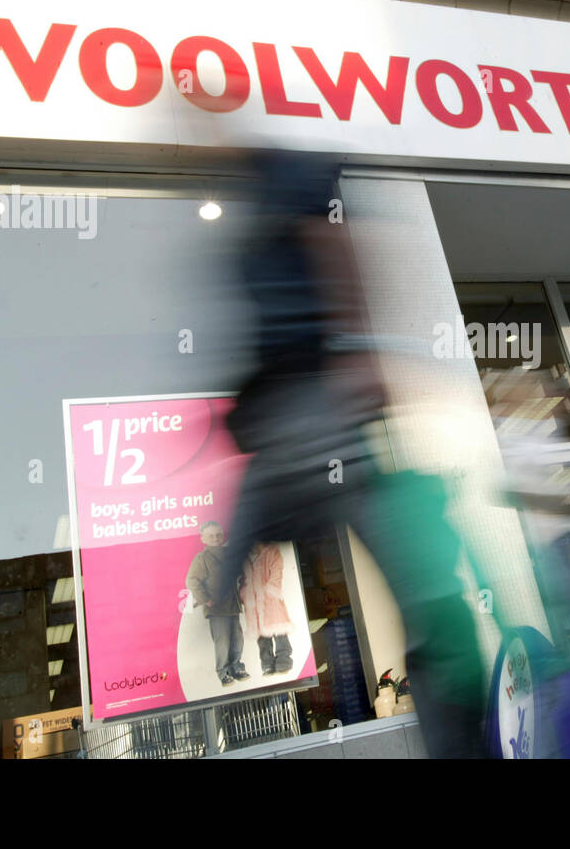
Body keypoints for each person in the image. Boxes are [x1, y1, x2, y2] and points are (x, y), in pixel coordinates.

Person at [213, 150, 486, 758]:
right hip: (309, 406)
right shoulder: (293, 474)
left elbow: (327, 246)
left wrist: (360, 351)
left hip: (310, 407)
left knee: (431, 604)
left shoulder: (291, 468)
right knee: (430, 604)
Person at [185, 521, 249, 686]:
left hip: (233, 604)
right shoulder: (202, 558)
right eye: (211, 535)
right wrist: (205, 599)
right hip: (217, 608)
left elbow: (242, 573)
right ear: (203, 539)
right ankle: (223, 673)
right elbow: (192, 580)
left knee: (237, 639)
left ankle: (237, 667)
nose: (215, 538)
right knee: (222, 642)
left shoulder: (230, 554)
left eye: (218, 534)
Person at [242, 541, 294, 676]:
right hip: (252, 602)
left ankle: (284, 661)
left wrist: (271, 589)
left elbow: (277, 570)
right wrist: (244, 593)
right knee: (261, 635)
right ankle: (267, 664)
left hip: (269, 599)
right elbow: (242, 579)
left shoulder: (271, 552)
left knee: (278, 629)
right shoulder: (244, 558)